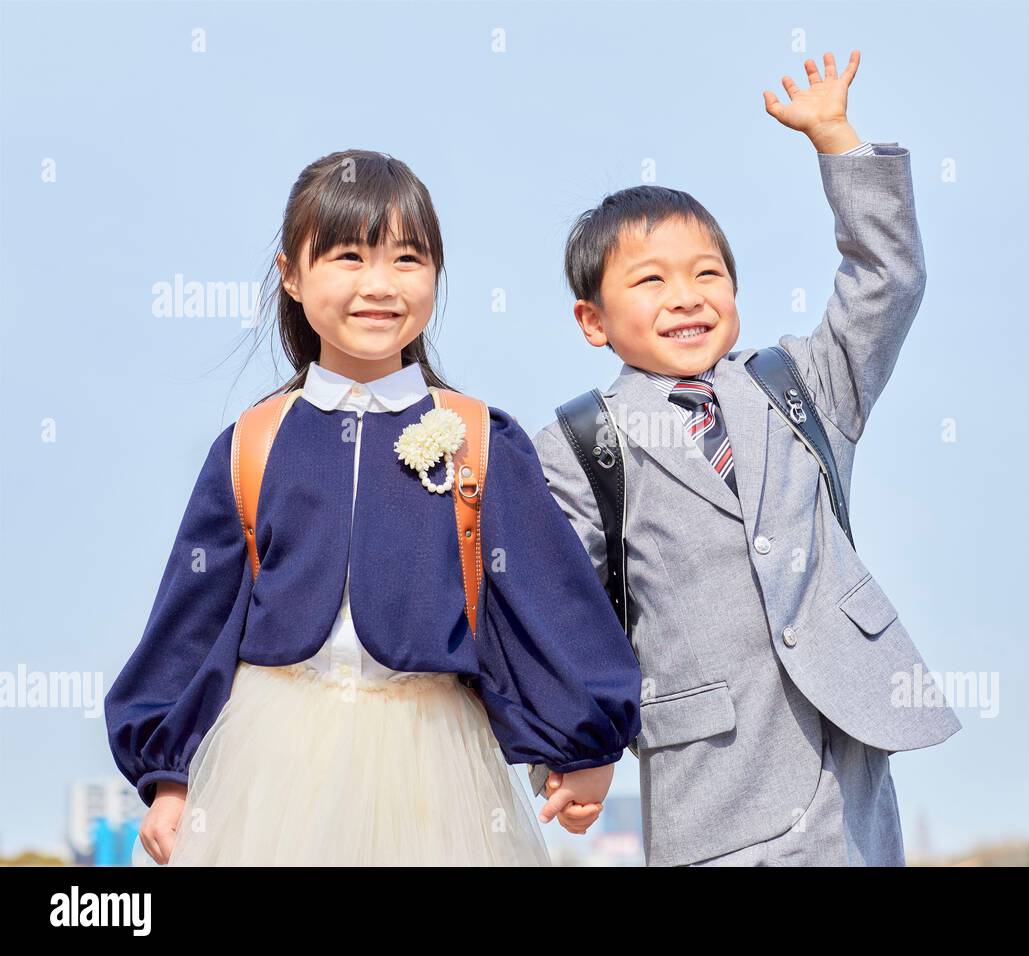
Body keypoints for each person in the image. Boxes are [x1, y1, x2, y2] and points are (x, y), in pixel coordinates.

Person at [105, 149, 642, 866]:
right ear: (291, 276)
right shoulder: (252, 444)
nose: (380, 285)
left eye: (408, 260)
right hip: (269, 762)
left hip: (434, 767)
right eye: (349, 257)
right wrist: (167, 776)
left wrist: (587, 743)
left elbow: (548, 598)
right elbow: (194, 621)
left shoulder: (480, 440)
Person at [530, 51, 960, 866]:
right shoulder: (583, 445)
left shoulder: (803, 386)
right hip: (711, 779)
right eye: (650, 280)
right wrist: (571, 748)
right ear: (593, 320)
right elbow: (562, 613)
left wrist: (836, 140)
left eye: (707, 273)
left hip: (842, 759)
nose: (687, 295)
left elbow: (888, 280)